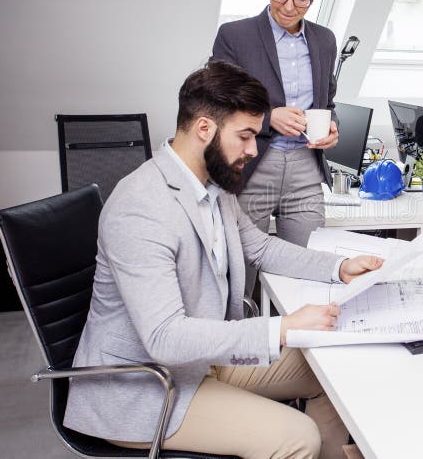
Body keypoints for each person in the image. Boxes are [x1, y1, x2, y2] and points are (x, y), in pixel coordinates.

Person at [63, 61, 383, 459]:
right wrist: (280, 328)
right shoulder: (140, 207)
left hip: (203, 360)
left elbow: (261, 248)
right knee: (297, 436)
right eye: (246, 136)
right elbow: (165, 337)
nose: (253, 149)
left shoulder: (214, 184)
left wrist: (337, 267)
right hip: (146, 386)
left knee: (334, 371)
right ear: (204, 129)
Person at [211, 0, 338, 257]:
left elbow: (328, 103)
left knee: (309, 266)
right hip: (250, 165)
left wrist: (331, 127)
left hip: (306, 171)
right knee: (240, 269)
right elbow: (216, 106)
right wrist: (269, 117)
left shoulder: (325, 41)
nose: (289, 5)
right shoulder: (235, 36)